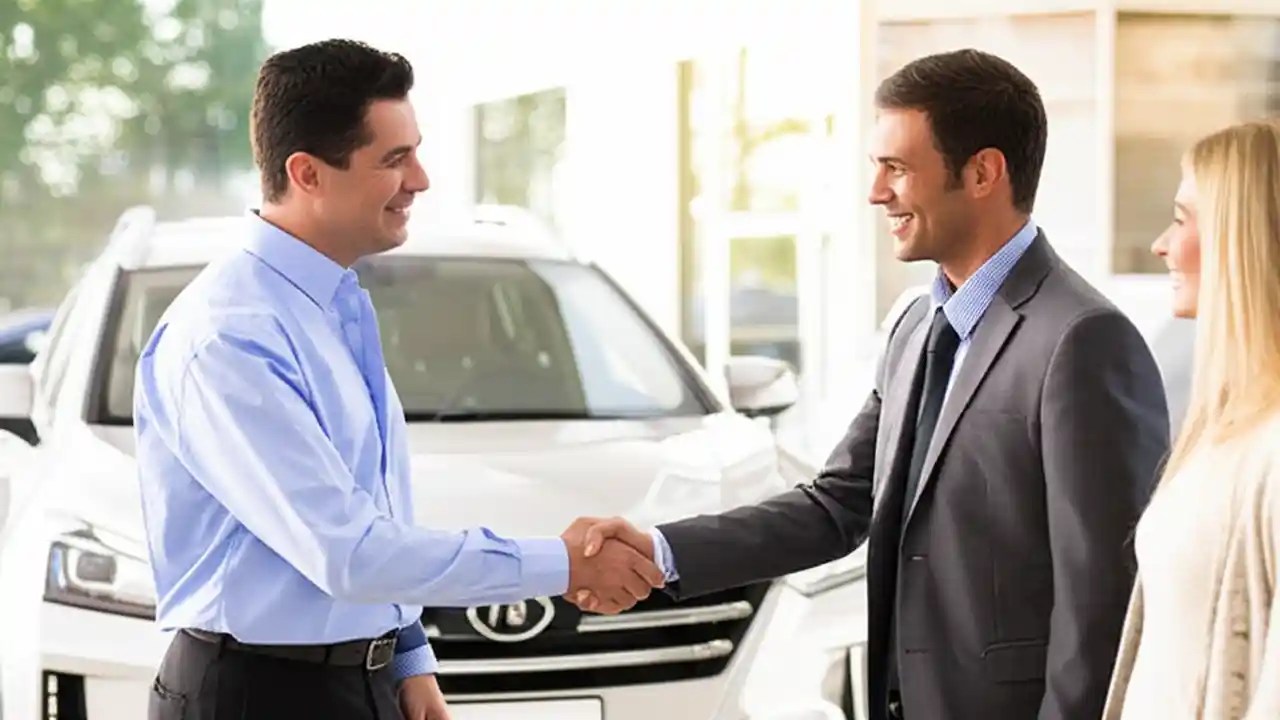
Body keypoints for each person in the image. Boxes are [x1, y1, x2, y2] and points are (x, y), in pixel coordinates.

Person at [575, 49, 1170, 719]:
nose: (875, 193)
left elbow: (1103, 600)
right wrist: (660, 550)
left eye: (897, 168)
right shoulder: (917, 325)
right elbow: (838, 505)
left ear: (982, 172)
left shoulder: (1083, 340)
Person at [133, 39, 662, 720]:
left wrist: (407, 657)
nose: (421, 178)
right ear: (308, 174)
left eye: (415, 150)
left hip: (358, 682)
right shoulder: (229, 336)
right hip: (258, 696)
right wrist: (566, 562)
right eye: (394, 159)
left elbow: (376, 509)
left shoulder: (335, 304)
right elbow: (349, 552)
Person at [1102, 120, 1280, 719]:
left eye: (1182, 219)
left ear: (1238, 237)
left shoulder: (1271, 447)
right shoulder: (1225, 430)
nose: (1161, 244)